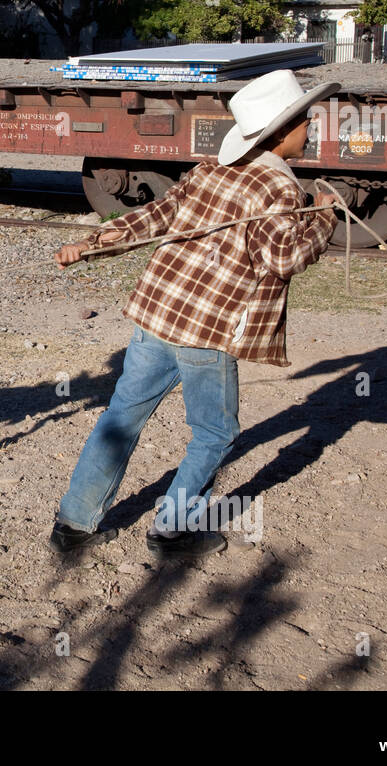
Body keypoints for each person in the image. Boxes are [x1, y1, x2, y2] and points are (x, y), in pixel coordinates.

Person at [48, 69, 342, 559]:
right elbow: (283, 259)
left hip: (156, 313)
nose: (310, 129)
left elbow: (153, 218)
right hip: (206, 328)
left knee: (122, 416)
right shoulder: (279, 188)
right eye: (305, 121)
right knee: (215, 432)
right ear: (281, 131)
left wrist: (91, 243)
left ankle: (74, 525)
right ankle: (173, 530)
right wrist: (324, 216)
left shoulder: (210, 169)